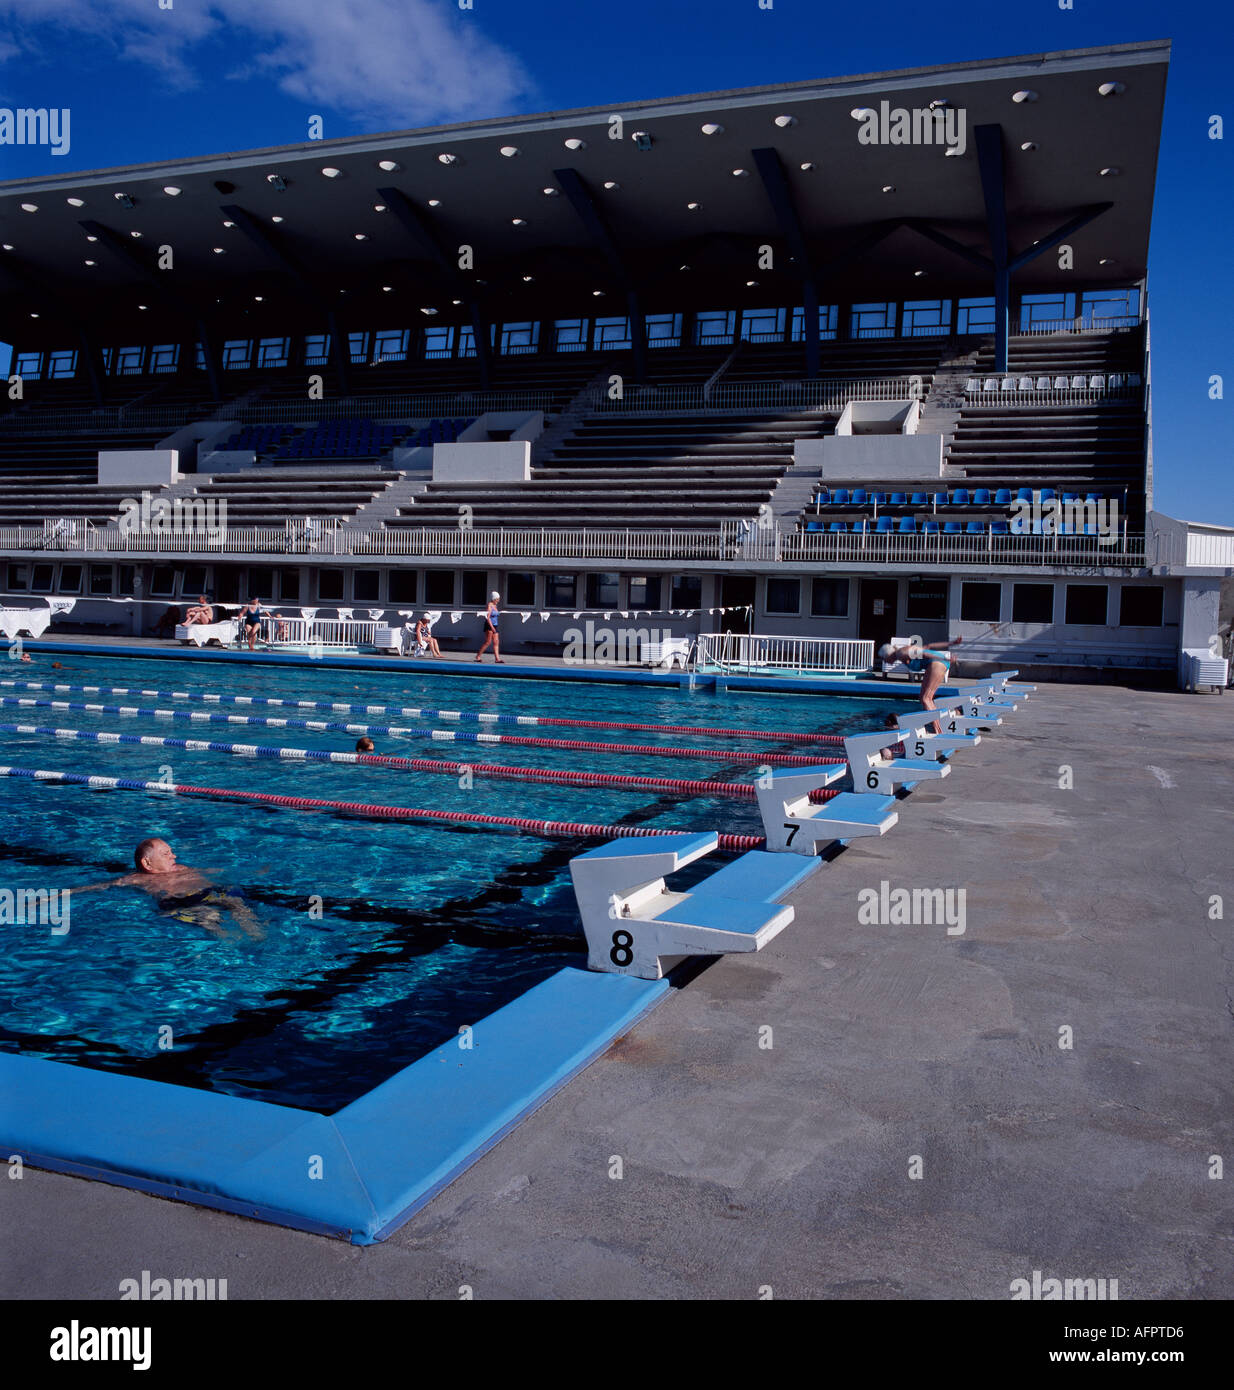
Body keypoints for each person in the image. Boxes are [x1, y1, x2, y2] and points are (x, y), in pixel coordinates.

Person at [73, 837, 262, 939]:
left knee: (236, 903)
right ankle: (233, 947)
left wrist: (254, 872)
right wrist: (53, 897)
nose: (174, 856)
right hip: (181, 903)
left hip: (208, 893)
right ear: (147, 863)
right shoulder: (136, 879)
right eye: (166, 854)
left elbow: (214, 872)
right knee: (210, 918)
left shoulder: (181, 868)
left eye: (171, 852)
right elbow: (96, 887)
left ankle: (257, 938)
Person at [878, 636, 963, 732]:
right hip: (939, 663)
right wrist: (952, 643)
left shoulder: (901, 653)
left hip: (936, 663)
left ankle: (938, 731)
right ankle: (940, 726)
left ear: (887, 655)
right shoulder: (901, 654)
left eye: (883, 658)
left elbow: (924, 653)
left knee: (925, 699)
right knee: (926, 699)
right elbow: (929, 646)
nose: (884, 661)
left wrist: (945, 658)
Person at [476, 591, 504, 663]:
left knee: (496, 642)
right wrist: (492, 627)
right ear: (494, 598)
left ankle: (497, 659)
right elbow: (487, 618)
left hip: (495, 625)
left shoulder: (495, 606)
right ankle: (478, 656)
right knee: (488, 642)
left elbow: (495, 615)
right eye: (497, 599)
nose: (498, 600)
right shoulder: (490, 605)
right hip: (489, 625)